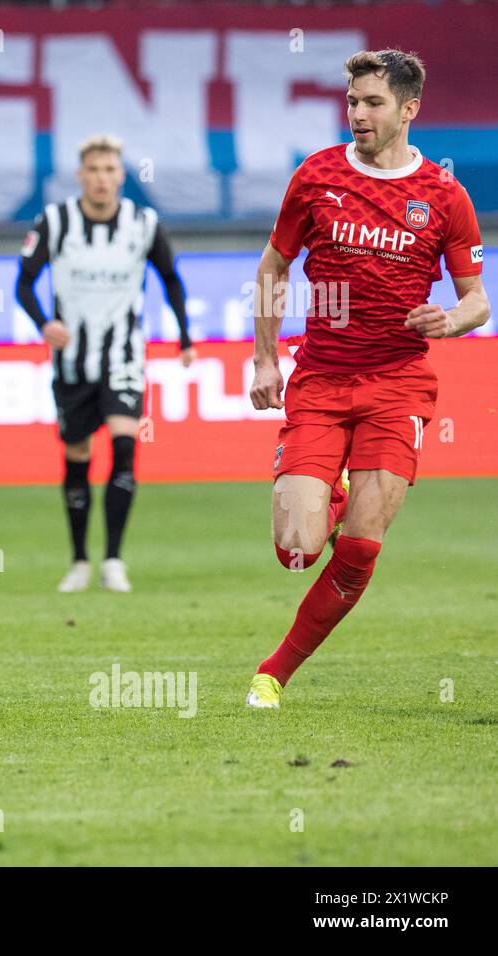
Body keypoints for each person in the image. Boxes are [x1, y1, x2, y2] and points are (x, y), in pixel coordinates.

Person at [246, 49, 488, 709]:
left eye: (373, 102)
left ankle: (273, 673)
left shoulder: (443, 195)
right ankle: (336, 488)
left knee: (358, 548)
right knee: (297, 551)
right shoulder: (317, 176)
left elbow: (478, 300)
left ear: (409, 109)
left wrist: (452, 321)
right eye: (353, 101)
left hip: (398, 384)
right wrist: (266, 358)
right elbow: (273, 267)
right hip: (320, 381)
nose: (358, 114)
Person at [16, 134, 195, 593]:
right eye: (93, 170)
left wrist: (185, 337)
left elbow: (171, 278)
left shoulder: (144, 223)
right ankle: (79, 560)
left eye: (110, 170)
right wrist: (43, 323)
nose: (101, 179)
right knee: (76, 456)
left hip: (124, 358)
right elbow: (24, 284)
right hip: (72, 362)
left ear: (120, 176)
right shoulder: (55, 222)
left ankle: (114, 559)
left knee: (123, 447)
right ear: (81, 175)